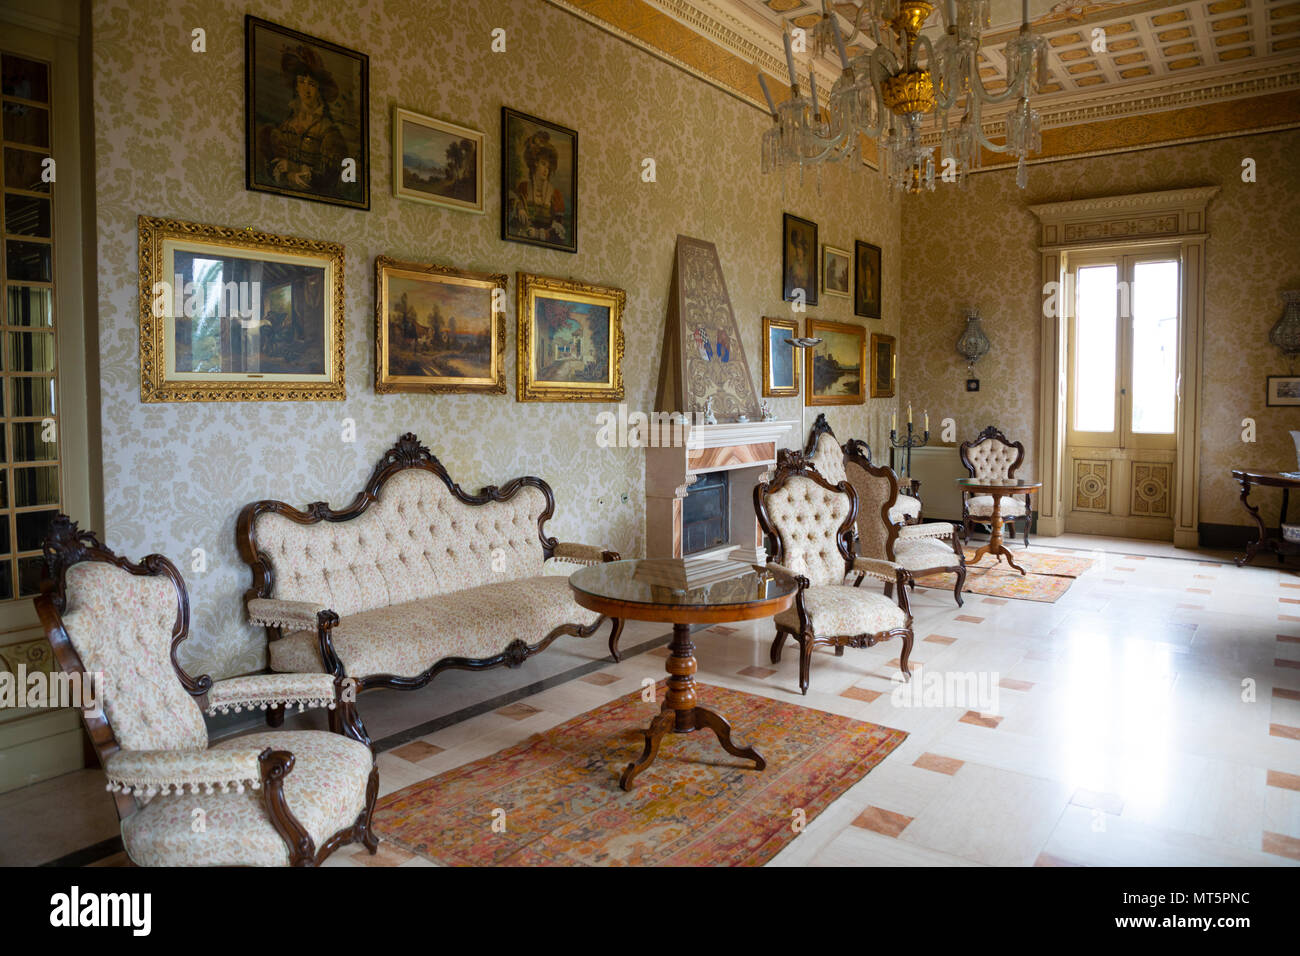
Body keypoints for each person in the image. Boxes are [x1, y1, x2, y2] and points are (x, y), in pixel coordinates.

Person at [259, 45, 347, 196]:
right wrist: (286, 175)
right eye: (301, 82)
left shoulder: (327, 130)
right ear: (296, 86)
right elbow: (272, 166)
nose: (306, 89)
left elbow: (332, 177)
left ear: (318, 89)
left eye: (312, 84)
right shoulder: (286, 124)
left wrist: (293, 167)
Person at [509, 131, 567, 243]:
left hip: (546, 240)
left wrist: (539, 234)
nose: (546, 170)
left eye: (549, 167)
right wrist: (520, 208)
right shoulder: (524, 187)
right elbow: (515, 203)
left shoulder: (555, 194)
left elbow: (558, 226)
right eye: (543, 164)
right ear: (535, 162)